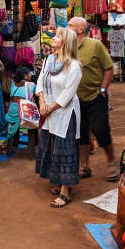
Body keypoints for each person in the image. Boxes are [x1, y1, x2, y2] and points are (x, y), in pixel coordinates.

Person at [35, 27, 83, 208]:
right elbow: (40, 82)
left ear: (66, 42)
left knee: (64, 149)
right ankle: (55, 180)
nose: (53, 38)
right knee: (51, 145)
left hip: (65, 113)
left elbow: (68, 94)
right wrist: (41, 103)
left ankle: (65, 191)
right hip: (48, 110)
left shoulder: (74, 66)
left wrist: (50, 108)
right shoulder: (49, 60)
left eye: (57, 36)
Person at [68, 17, 117, 181]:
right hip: (75, 99)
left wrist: (103, 89)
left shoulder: (95, 45)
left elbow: (109, 68)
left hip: (95, 96)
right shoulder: (68, 48)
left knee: (100, 130)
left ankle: (112, 161)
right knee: (81, 132)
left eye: (70, 25)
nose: (66, 27)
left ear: (80, 29)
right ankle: (84, 166)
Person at [5, 66, 33, 154]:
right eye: (29, 73)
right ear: (25, 76)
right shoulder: (31, 86)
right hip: (24, 116)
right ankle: (33, 146)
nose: (31, 74)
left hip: (11, 114)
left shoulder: (13, 84)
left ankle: (9, 147)